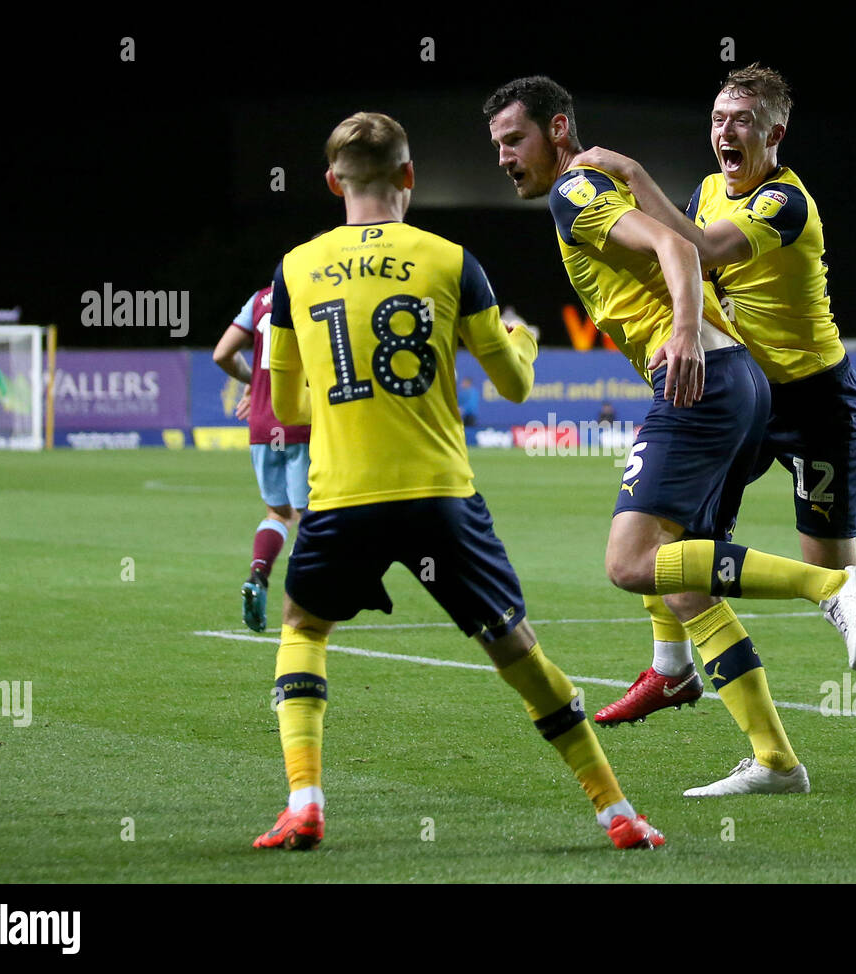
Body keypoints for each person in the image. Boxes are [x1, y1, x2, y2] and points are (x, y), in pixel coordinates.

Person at [254, 110, 663, 851]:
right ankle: (617, 813)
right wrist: (526, 337)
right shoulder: (450, 261)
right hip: (439, 495)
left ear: (331, 182)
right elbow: (511, 387)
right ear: (409, 176)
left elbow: (286, 407)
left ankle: (304, 802)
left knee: (305, 628)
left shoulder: (295, 268)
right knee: (514, 647)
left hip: (343, 496)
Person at [486, 76, 856, 797]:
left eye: (515, 139)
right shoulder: (620, 189)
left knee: (632, 561)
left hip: (713, 380)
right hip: (735, 378)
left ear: (559, 129)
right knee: (681, 571)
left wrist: (682, 332)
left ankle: (834, 589)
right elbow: (684, 240)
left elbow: (679, 248)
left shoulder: (575, 193)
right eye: (499, 145)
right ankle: (764, 752)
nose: (506, 157)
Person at [570, 64, 856, 731]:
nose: (726, 132)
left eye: (743, 122)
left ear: (775, 132)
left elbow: (697, 248)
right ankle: (670, 669)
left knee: (832, 570)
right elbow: (688, 258)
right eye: (718, 119)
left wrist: (633, 176)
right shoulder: (705, 189)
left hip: (816, 401)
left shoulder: (783, 203)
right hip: (746, 394)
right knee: (667, 537)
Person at [213, 287, 313, 632]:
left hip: (262, 424)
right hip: (304, 419)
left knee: (278, 513)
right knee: (310, 517)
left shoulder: (259, 299)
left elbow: (222, 354)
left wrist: (252, 381)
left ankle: (259, 573)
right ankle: (304, 602)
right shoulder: (326, 291)